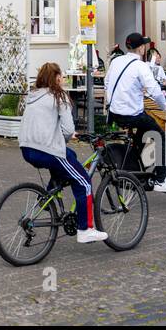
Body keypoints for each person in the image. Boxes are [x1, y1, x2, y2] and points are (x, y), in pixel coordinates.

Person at [18, 62, 107, 244]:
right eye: (62, 76)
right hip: (47, 151)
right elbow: (67, 130)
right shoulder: (59, 97)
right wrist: (68, 136)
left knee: (70, 156)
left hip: (27, 149)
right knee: (83, 181)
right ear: (56, 77)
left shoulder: (32, 96)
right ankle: (86, 229)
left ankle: (49, 195)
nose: (64, 79)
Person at [105, 32, 166, 193]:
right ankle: (161, 180)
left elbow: (107, 83)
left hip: (114, 113)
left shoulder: (116, 61)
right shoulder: (141, 66)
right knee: (161, 137)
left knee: (141, 133)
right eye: (144, 45)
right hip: (131, 115)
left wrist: (117, 101)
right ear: (140, 48)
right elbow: (154, 89)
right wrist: (164, 105)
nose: (145, 47)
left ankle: (133, 168)